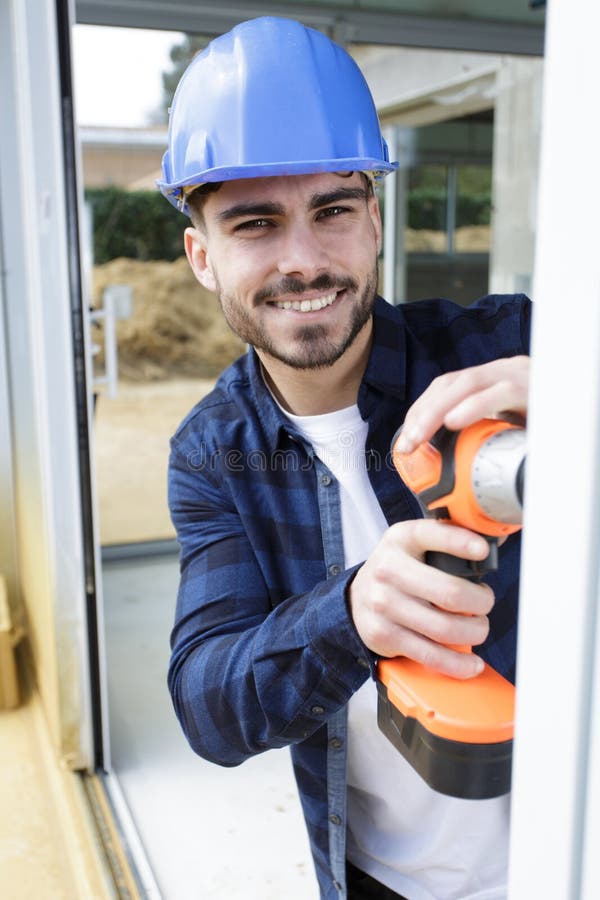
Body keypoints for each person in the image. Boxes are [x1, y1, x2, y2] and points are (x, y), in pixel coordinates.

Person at [159, 17, 531, 900]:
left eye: (332, 210)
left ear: (373, 218)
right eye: (256, 224)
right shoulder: (215, 454)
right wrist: (351, 613)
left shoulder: (509, 348)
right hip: (380, 879)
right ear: (203, 257)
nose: (304, 259)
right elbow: (209, 705)